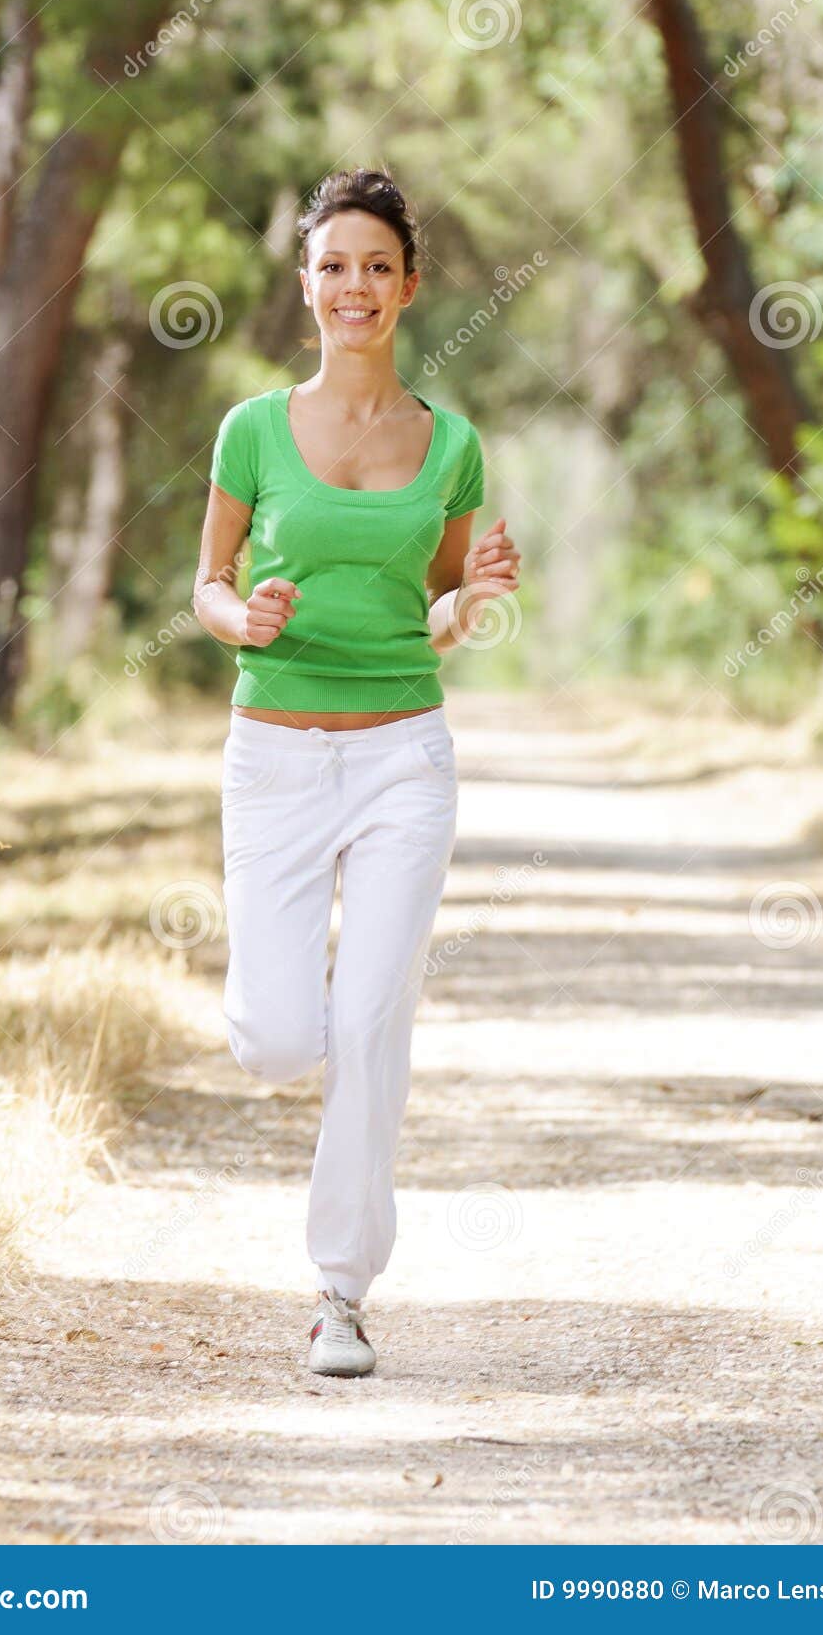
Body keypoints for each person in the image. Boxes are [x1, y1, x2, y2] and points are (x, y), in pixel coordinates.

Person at [193, 166, 520, 1377]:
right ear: (306, 284)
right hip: (273, 754)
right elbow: (206, 583)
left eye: (377, 266)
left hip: (402, 757)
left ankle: (341, 1290)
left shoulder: (452, 443)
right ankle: (284, 1021)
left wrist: (476, 599)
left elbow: (437, 609)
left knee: (373, 1017)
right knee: (282, 1041)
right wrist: (242, 622)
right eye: (334, 264)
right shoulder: (252, 430)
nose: (355, 286)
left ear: (410, 288)